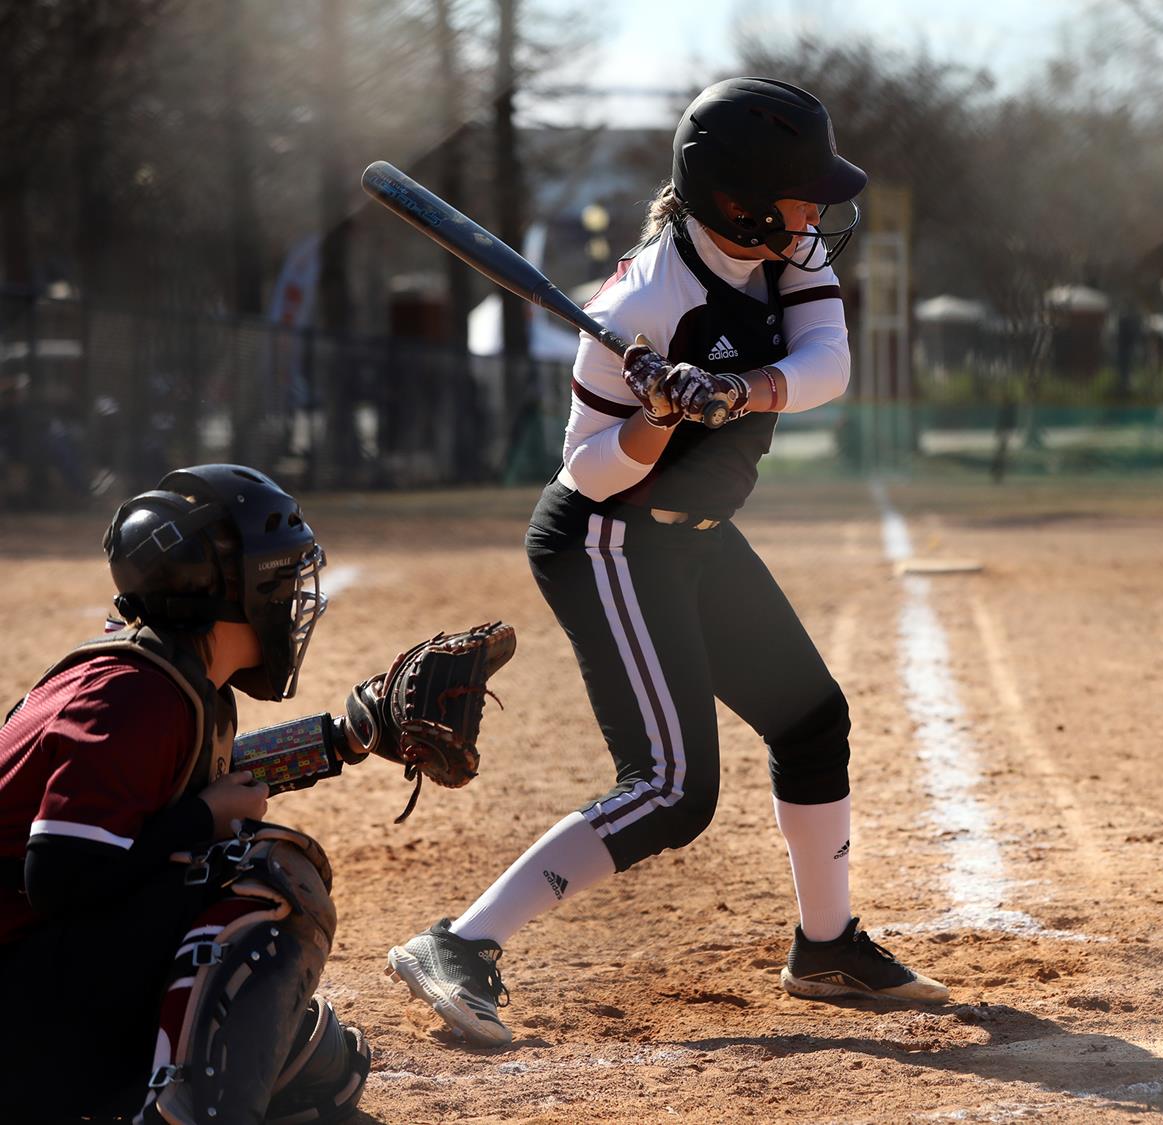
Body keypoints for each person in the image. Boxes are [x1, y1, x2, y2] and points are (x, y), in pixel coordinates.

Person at [385, 76, 946, 1049]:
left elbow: (825, 365)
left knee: (812, 720)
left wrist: (736, 391)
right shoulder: (643, 302)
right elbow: (590, 476)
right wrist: (652, 416)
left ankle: (826, 946)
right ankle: (460, 943)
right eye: (801, 192)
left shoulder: (787, 249)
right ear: (738, 200)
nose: (818, 211)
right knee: (673, 790)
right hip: (608, 540)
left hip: (692, 534)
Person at [0, 464, 372, 1124]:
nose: (291, 599)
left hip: (32, 975)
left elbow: (203, 782)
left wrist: (351, 738)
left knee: (318, 1069)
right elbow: (61, 875)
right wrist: (202, 818)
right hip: (18, 1010)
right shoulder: (134, 697)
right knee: (263, 875)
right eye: (279, 580)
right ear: (230, 590)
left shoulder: (161, 675)